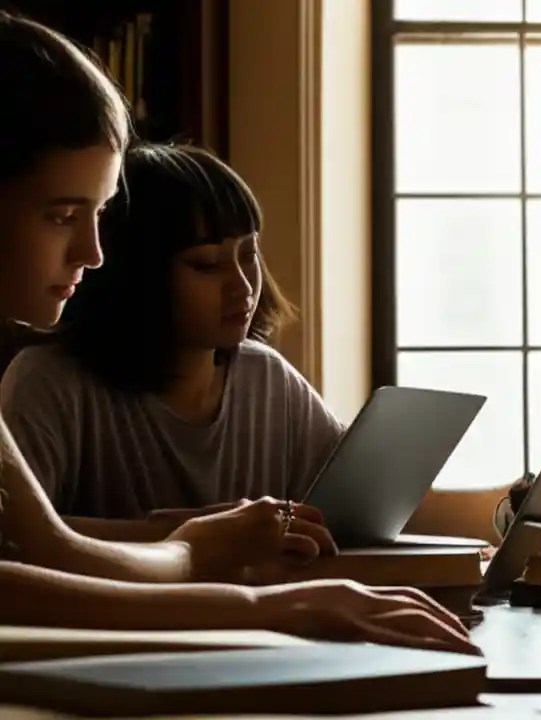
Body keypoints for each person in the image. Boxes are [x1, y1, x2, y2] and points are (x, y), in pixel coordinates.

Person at [0, 11, 474, 653]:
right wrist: (237, 585)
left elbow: (53, 551)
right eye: (61, 215)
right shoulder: (51, 382)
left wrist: (207, 558)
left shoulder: (264, 377)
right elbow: (34, 572)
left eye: (99, 215)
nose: (92, 252)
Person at [0, 142, 345, 542]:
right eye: (206, 265)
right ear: (138, 276)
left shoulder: (269, 380)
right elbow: (15, 540)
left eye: (248, 254)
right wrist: (175, 536)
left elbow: (346, 504)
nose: (242, 286)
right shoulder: (49, 383)